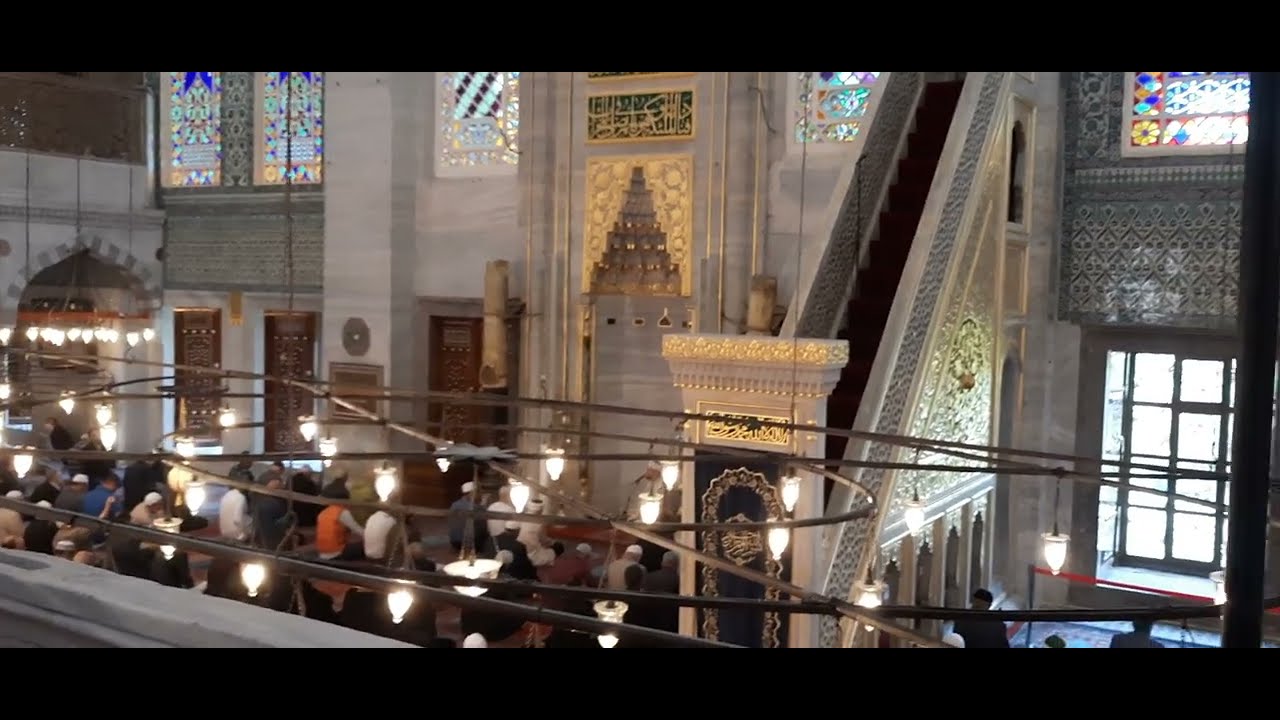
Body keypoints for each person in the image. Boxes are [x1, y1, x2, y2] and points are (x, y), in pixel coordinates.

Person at [316, 482, 365, 560]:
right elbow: (358, 531)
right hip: (336, 553)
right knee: (364, 546)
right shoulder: (342, 512)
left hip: (322, 553)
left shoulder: (323, 512)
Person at [448, 481, 487, 552]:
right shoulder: (476, 507)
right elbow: (483, 526)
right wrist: (483, 506)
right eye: (478, 492)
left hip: (454, 542)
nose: (480, 495)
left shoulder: (454, 505)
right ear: (471, 493)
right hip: (470, 544)